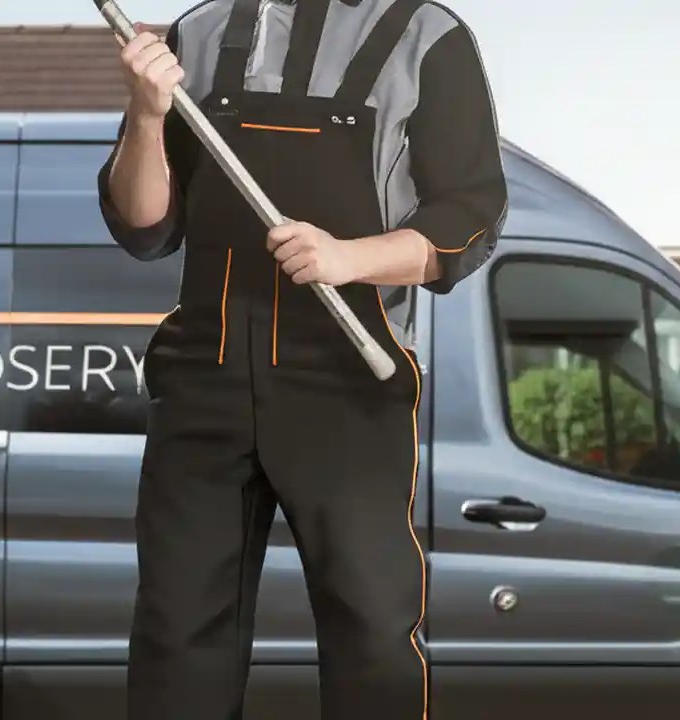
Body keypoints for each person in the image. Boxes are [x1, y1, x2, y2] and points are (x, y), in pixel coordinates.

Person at [98, 0, 507, 717]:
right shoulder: (200, 30)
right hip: (205, 372)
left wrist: (349, 257)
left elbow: (470, 214)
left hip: (348, 380)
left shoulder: (427, 36)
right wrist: (147, 113)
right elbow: (144, 227)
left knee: (371, 633)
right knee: (176, 636)